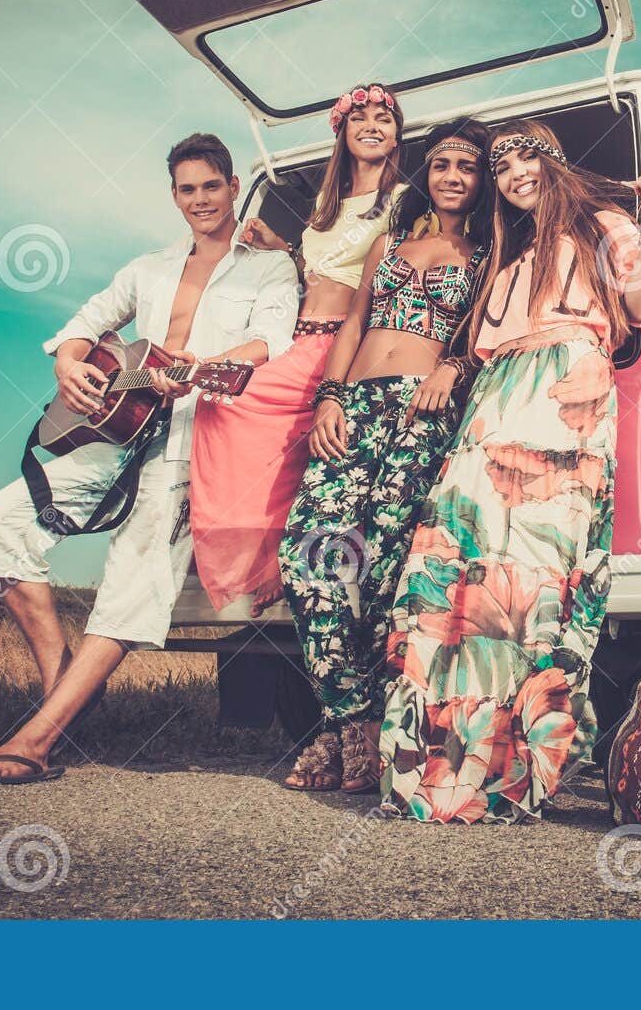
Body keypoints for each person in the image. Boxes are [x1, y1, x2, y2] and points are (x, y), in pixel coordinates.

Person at [0, 133, 299, 784]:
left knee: (132, 580)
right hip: (120, 429)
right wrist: (69, 363)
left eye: (211, 185)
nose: (200, 199)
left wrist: (205, 367)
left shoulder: (269, 268)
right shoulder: (148, 267)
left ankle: (35, 739)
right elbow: (85, 323)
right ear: (174, 195)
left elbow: (272, 342)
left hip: (200, 435)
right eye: (187, 188)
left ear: (232, 186)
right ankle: (67, 686)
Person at [379, 119, 641, 823]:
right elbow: (481, 348)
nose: (513, 171)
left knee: (537, 578)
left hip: (567, 392)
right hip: (495, 403)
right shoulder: (508, 261)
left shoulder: (602, 225)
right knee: (456, 561)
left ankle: (514, 768)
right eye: (501, 162)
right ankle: (432, 764)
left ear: (555, 162)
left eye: (526, 155)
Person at [277, 118, 493, 794]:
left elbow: (486, 336)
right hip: (357, 404)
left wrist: (452, 369)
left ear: (481, 180)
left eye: (467, 166)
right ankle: (351, 726)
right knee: (311, 557)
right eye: (443, 164)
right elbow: (353, 323)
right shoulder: (392, 244)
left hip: (421, 415)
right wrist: (329, 399)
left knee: (381, 574)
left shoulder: (489, 255)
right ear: (425, 173)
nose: (453, 175)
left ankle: (357, 740)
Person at [188, 83, 402, 618]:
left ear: (397, 133)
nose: (373, 126)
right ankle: (269, 558)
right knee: (250, 422)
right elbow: (322, 272)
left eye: (385, 118)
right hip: (299, 336)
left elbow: (378, 280)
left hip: (340, 341)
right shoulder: (326, 206)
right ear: (343, 131)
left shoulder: (402, 201)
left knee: (232, 404)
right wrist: (281, 248)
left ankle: (272, 563)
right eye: (361, 118)